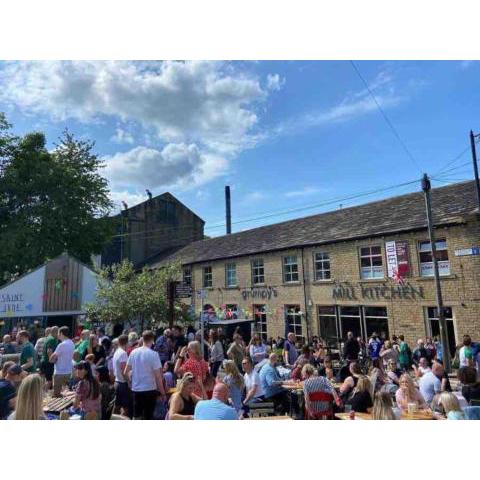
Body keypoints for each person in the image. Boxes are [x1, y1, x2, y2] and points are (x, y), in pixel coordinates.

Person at [124, 330, 166, 420]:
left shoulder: (133, 352)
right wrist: (163, 392)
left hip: (136, 390)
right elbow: (158, 377)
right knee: (148, 417)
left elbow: (125, 372)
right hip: (150, 390)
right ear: (152, 340)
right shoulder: (154, 354)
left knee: (136, 417)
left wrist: (130, 383)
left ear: (142, 339)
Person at [48, 326, 75, 397]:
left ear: (61, 333)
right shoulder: (72, 343)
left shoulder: (61, 345)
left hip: (59, 372)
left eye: (58, 333)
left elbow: (51, 359)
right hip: (68, 372)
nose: (57, 335)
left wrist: (50, 354)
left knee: (56, 395)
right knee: (66, 393)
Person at [113, 334, 132, 417]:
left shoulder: (116, 352)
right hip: (122, 384)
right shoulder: (123, 353)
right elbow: (124, 371)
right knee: (125, 408)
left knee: (116, 407)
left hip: (117, 382)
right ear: (126, 343)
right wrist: (129, 382)